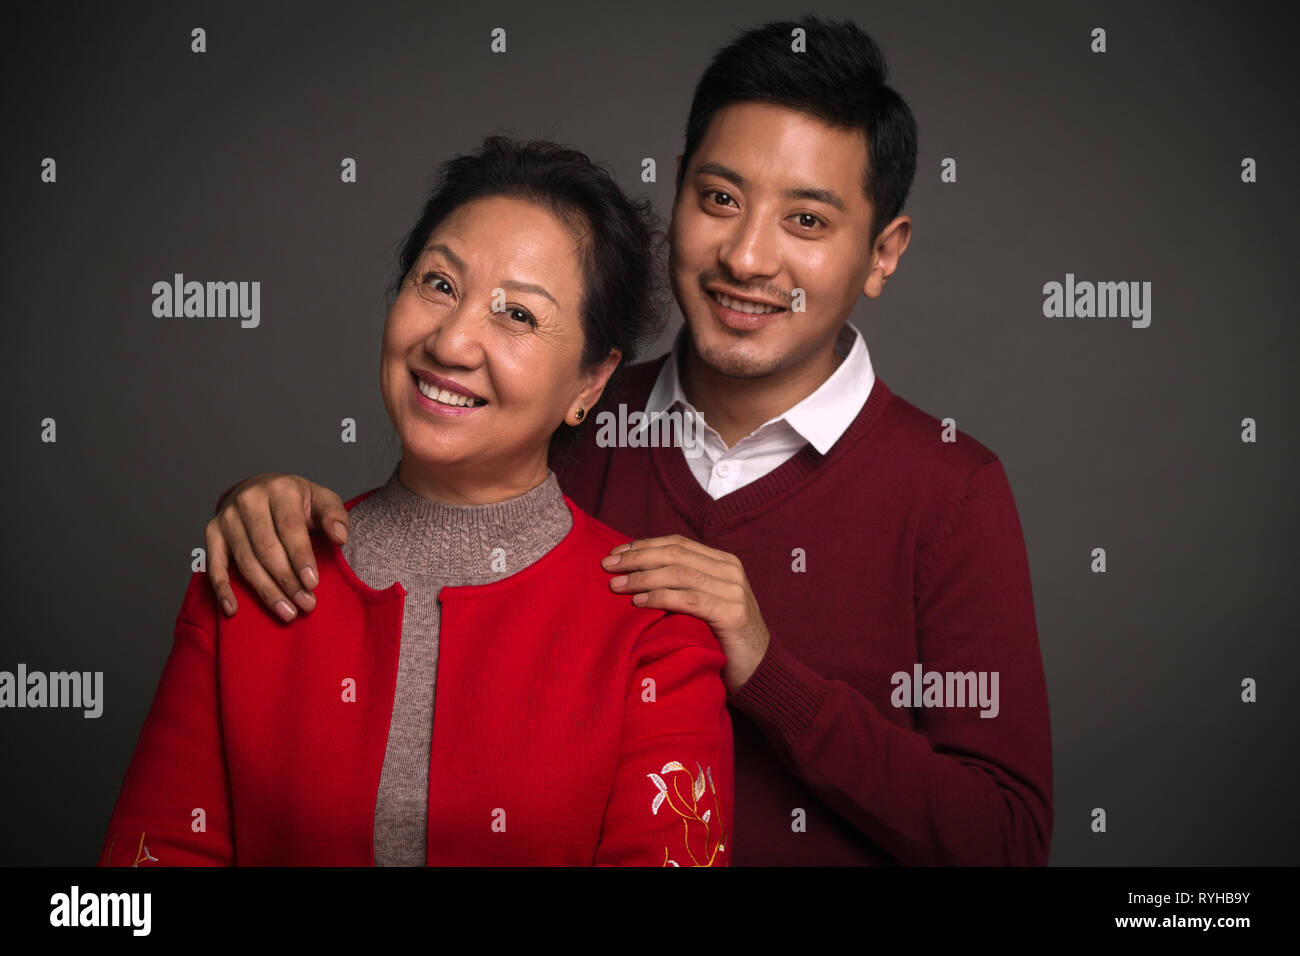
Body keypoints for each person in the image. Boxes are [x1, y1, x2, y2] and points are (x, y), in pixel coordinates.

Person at [201, 16, 1052, 866]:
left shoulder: (950, 491)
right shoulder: (566, 414)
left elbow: (1007, 841)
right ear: (678, 191)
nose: (748, 257)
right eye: (719, 199)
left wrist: (767, 673)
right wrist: (265, 512)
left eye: (807, 222)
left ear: (882, 253)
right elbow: (414, 558)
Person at [99, 135, 733, 867]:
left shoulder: (655, 637)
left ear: (591, 384)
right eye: (438, 284)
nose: (453, 340)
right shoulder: (258, 569)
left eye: (518, 316)